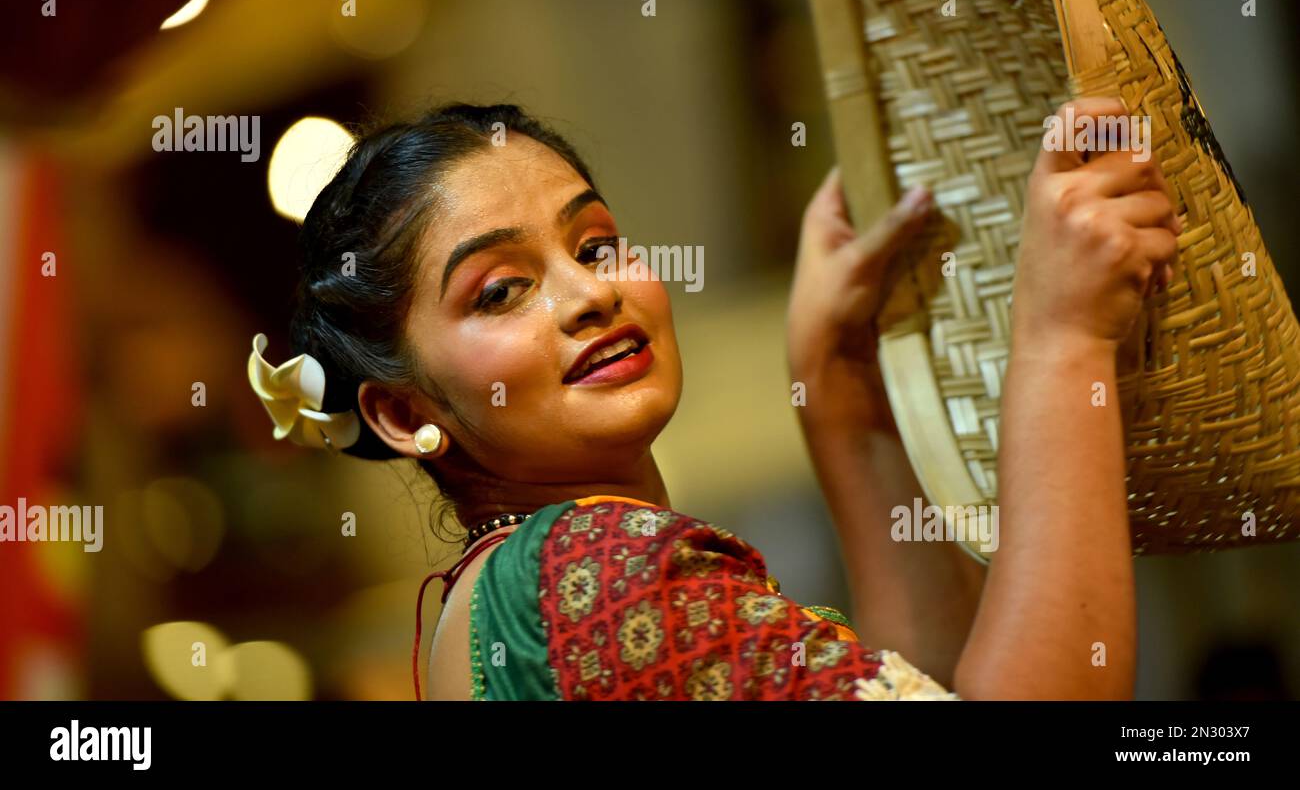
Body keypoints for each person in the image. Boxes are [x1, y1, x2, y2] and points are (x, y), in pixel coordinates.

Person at [246, 97, 1178, 699]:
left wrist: (838, 383)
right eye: (500, 289)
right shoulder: (600, 567)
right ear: (405, 414)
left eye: (595, 244)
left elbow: (917, 690)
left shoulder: (489, 607)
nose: (589, 294)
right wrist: (1063, 342)